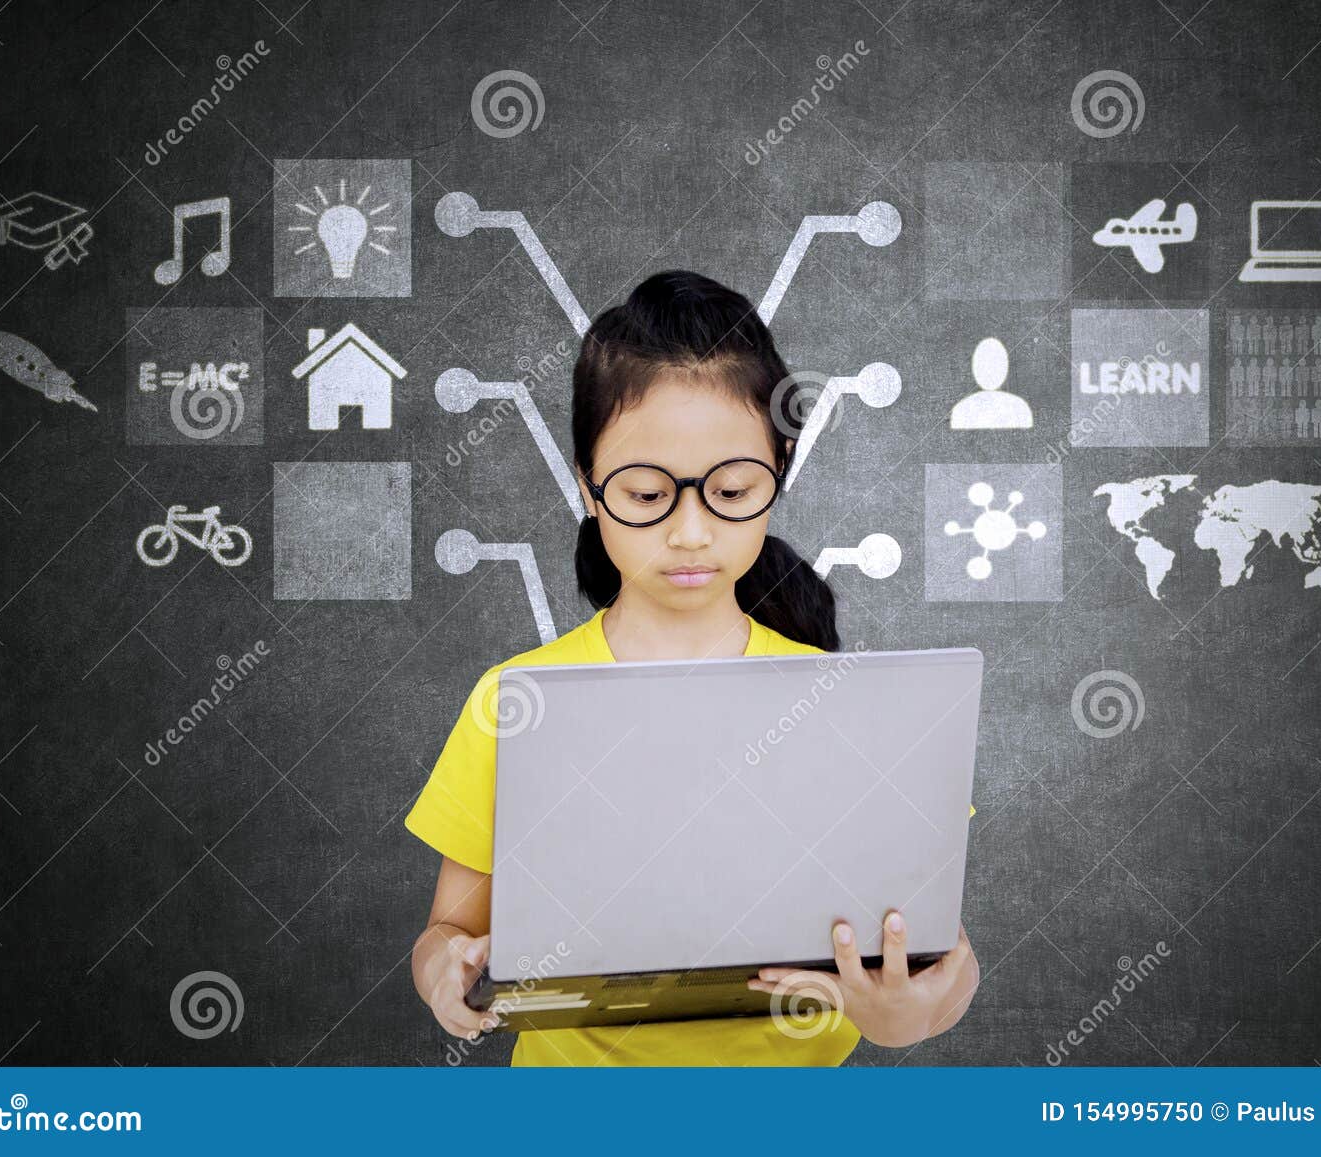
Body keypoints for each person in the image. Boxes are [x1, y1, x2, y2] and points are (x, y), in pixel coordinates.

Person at [405, 271, 980, 1065]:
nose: (690, 531)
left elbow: (943, 955)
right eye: (645, 494)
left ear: (777, 472)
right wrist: (445, 971)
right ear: (587, 485)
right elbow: (449, 929)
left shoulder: (850, 705)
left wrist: (908, 1017)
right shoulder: (514, 702)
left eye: (732, 490)